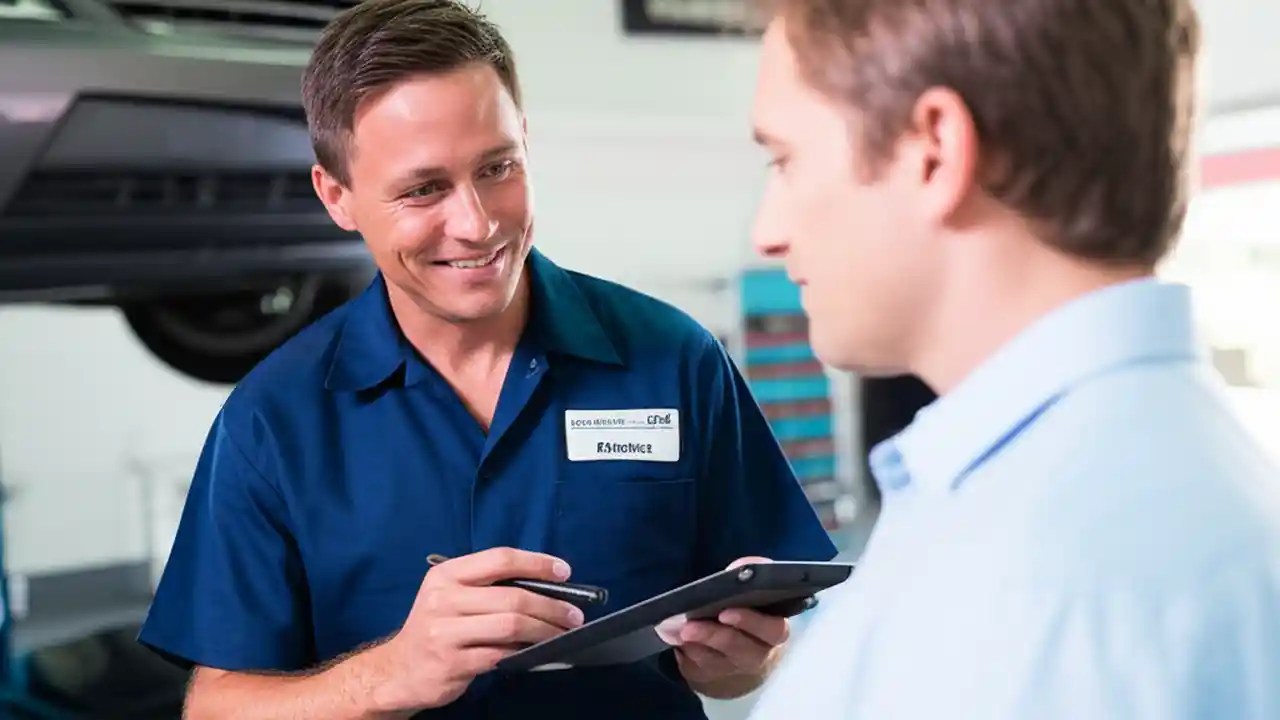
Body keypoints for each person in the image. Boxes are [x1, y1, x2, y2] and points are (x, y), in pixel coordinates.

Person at [136, 1, 837, 717]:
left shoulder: (675, 360)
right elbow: (215, 708)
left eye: (497, 167)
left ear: (526, 141)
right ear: (337, 196)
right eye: (423, 189)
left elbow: (750, 649)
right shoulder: (272, 422)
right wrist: (392, 675)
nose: (476, 224)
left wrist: (738, 661)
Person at [744, 0, 1280, 718]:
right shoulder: (1114, 489)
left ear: (933, 149)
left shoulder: (1055, 578)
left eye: (785, 160)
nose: (766, 233)